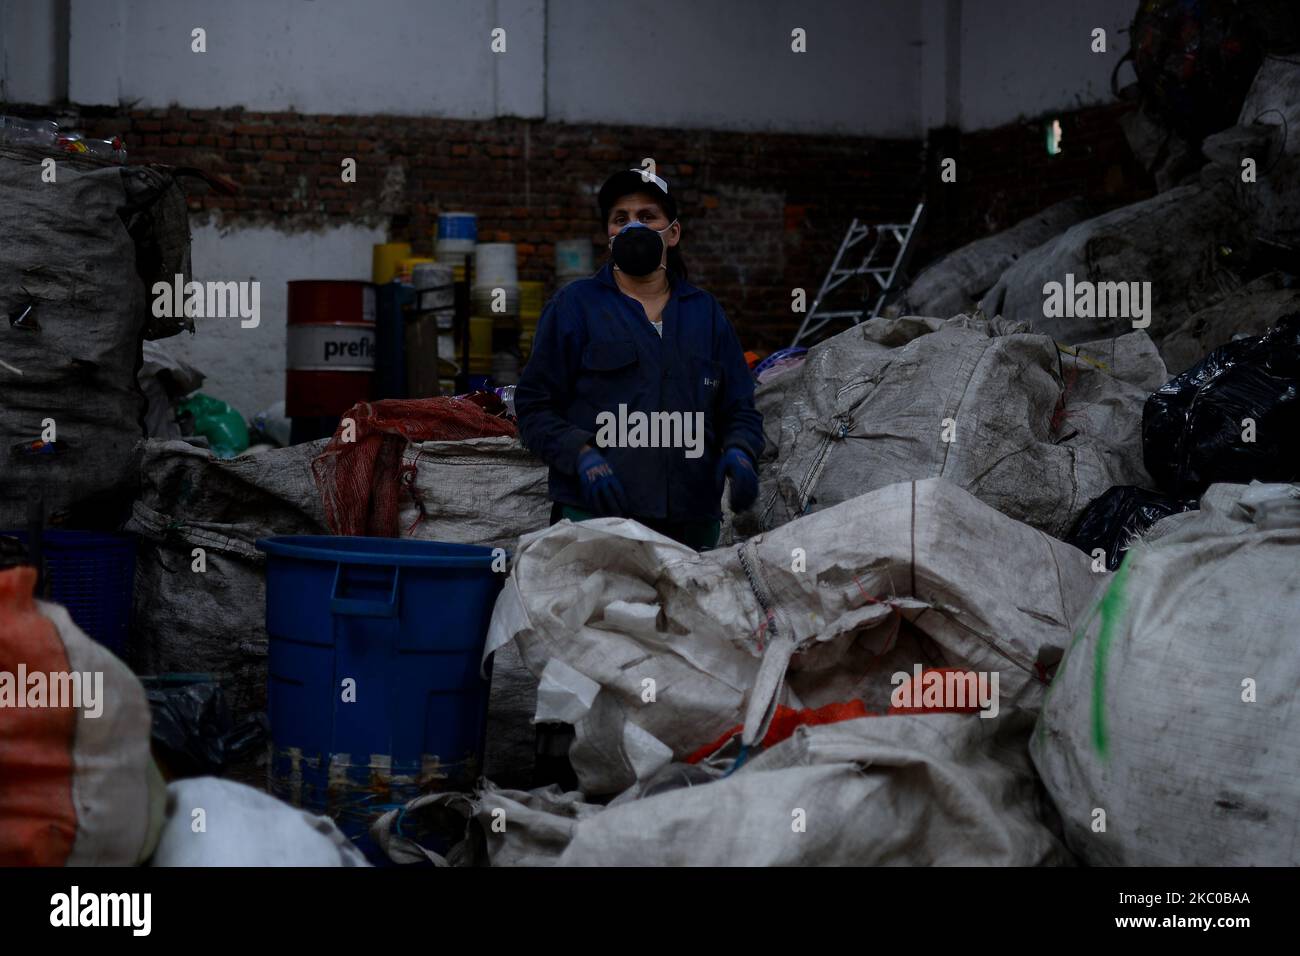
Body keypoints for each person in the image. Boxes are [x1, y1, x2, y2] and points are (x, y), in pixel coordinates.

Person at [514, 167, 764, 551]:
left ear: (673, 233)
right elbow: (534, 404)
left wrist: (741, 451)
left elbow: (739, 407)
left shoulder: (706, 314)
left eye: (647, 217)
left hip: (692, 524)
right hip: (595, 521)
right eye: (621, 219)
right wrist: (581, 455)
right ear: (609, 236)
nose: (633, 227)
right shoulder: (574, 307)